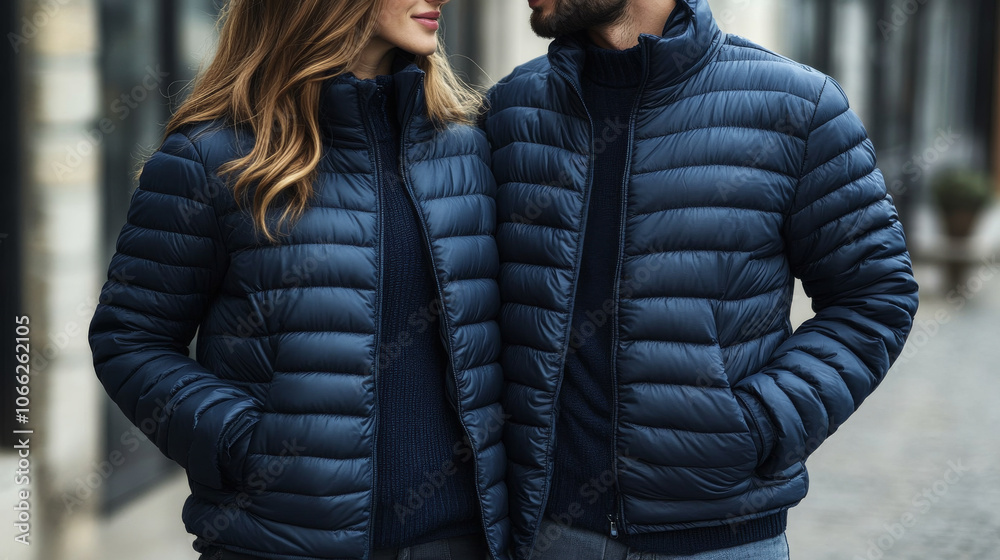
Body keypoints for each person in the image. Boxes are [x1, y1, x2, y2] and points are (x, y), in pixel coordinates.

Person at [481, 0, 919, 558]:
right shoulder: (511, 110)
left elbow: (875, 296)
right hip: (545, 536)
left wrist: (758, 425)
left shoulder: (796, 107)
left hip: (719, 538)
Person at [88, 1, 510, 559]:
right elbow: (129, 340)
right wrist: (247, 444)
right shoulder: (213, 158)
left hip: (461, 543)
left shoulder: (466, 146)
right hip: (282, 541)